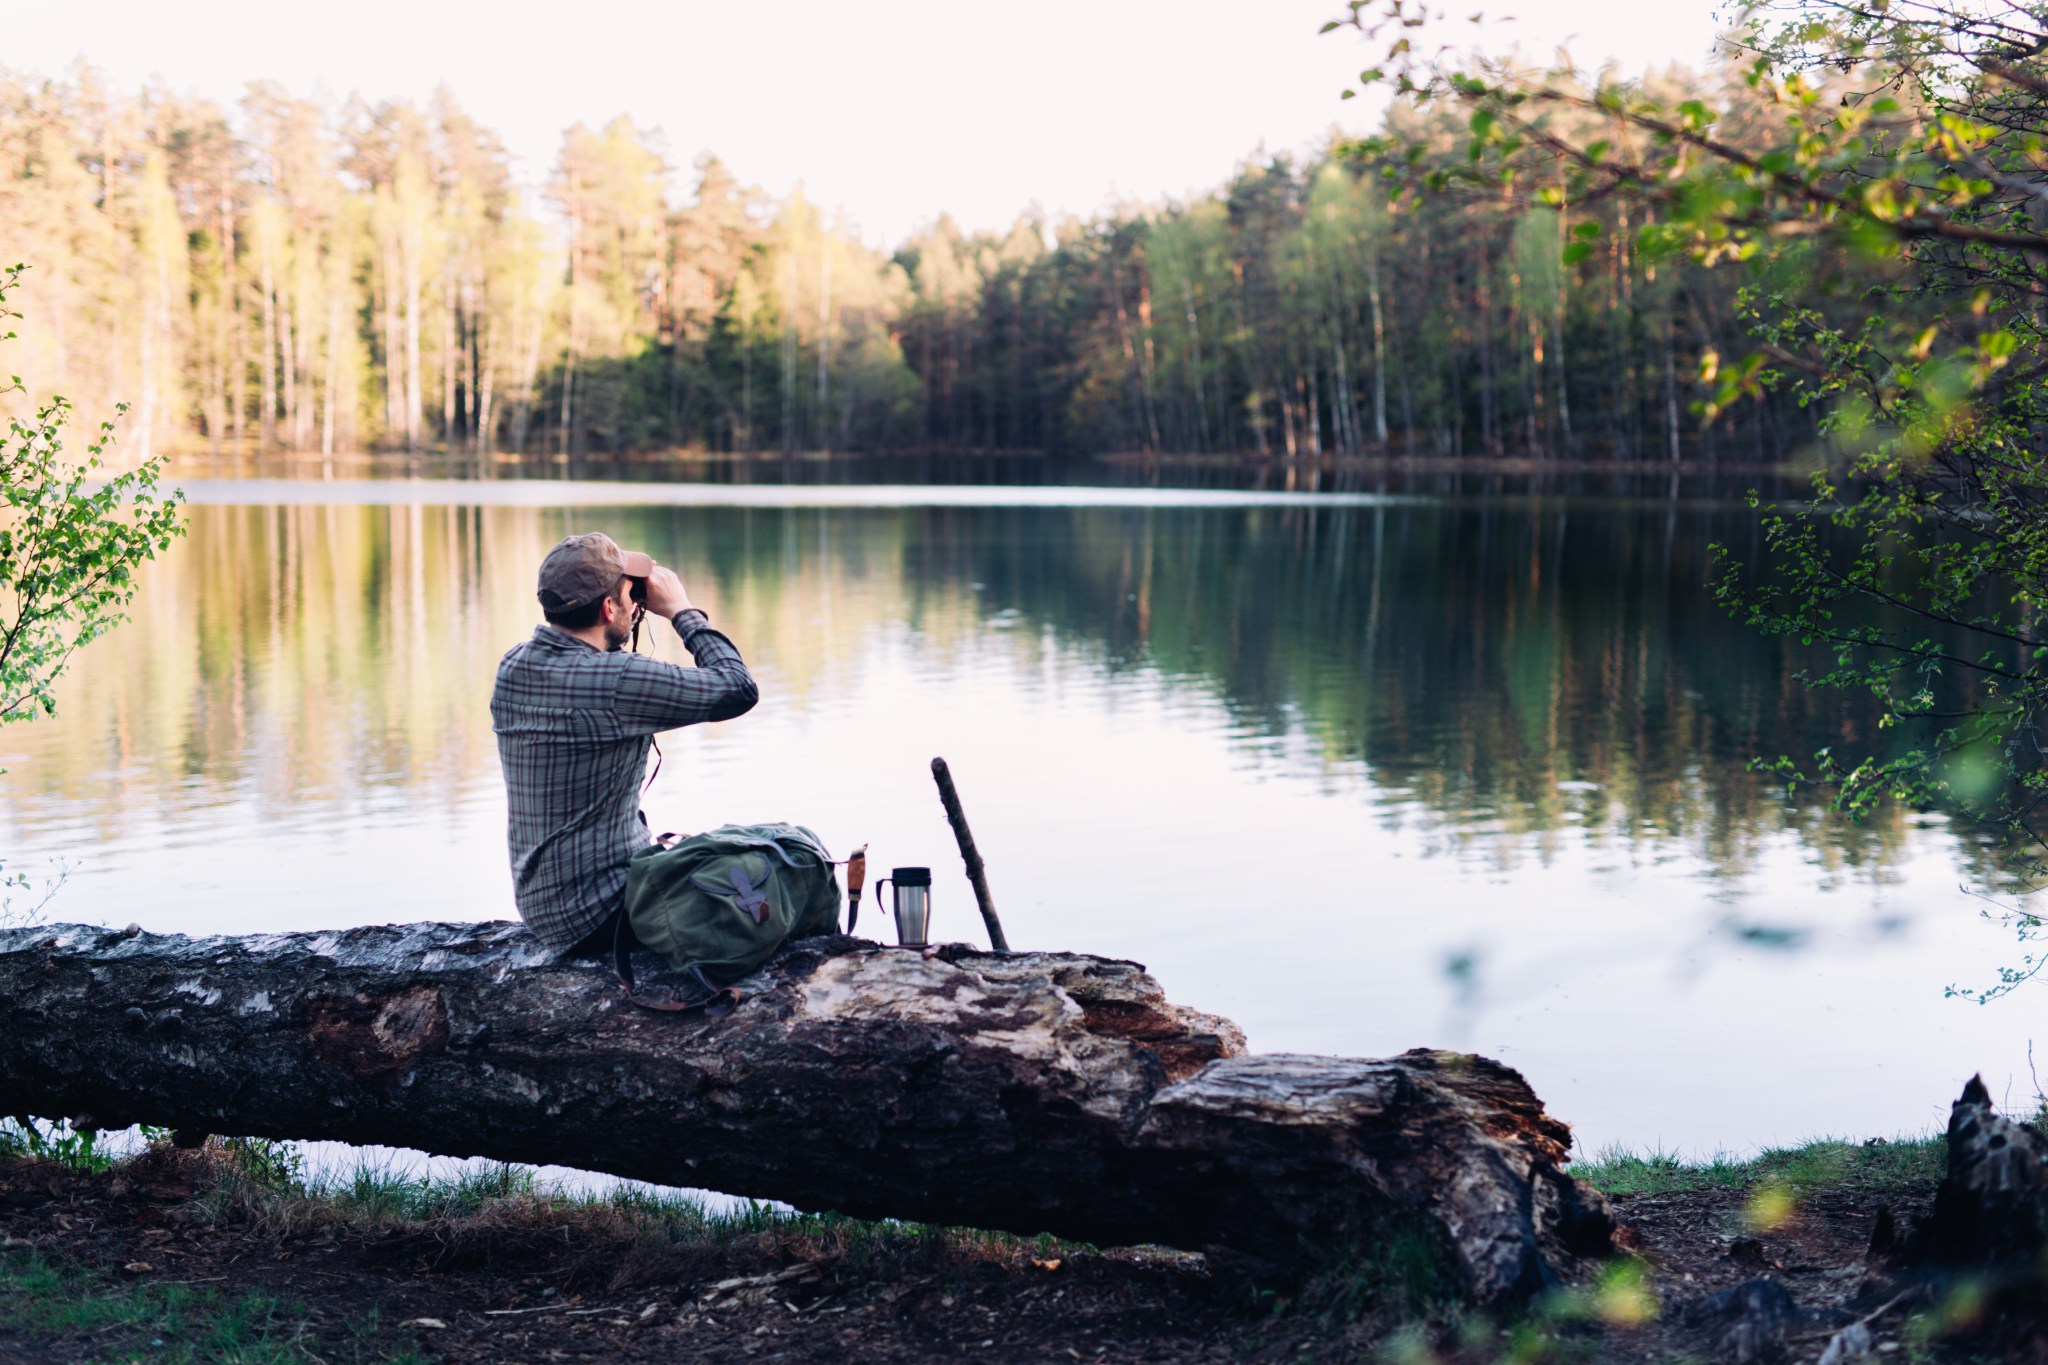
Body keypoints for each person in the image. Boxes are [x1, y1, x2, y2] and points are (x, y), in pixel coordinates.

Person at [491, 531, 758, 955]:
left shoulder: (515, 664)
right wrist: (682, 612)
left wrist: (615, 627)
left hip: (546, 906)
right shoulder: (616, 682)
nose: (638, 602)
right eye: (627, 593)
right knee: (772, 859)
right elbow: (738, 688)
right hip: (602, 911)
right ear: (609, 607)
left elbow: (590, 675)